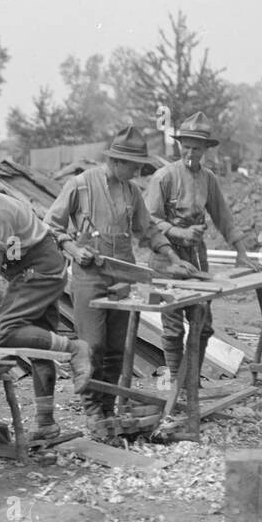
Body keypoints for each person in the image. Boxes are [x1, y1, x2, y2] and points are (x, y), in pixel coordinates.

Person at [46, 125, 179, 440]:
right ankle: (93, 410)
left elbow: (148, 230)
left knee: (118, 349)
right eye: (133, 165)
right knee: (93, 347)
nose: (136, 172)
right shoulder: (80, 185)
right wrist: (74, 249)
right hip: (90, 277)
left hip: (123, 276)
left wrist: (172, 255)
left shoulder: (131, 191)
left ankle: (108, 408)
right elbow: (50, 224)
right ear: (117, 160)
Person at [0, 162, 90, 442]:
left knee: (3, 331)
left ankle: (74, 348)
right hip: (25, 271)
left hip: (42, 268)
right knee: (40, 347)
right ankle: (46, 423)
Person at [145, 112, 260, 385]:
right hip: (166, 259)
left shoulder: (208, 178)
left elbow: (224, 217)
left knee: (203, 325)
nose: (191, 152)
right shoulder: (164, 177)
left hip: (197, 258)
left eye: (197, 147)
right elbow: (149, 221)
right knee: (172, 328)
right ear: (179, 145)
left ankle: (191, 380)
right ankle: (176, 384)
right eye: (186, 146)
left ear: (206, 150)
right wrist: (179, 231)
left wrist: (241, 251)